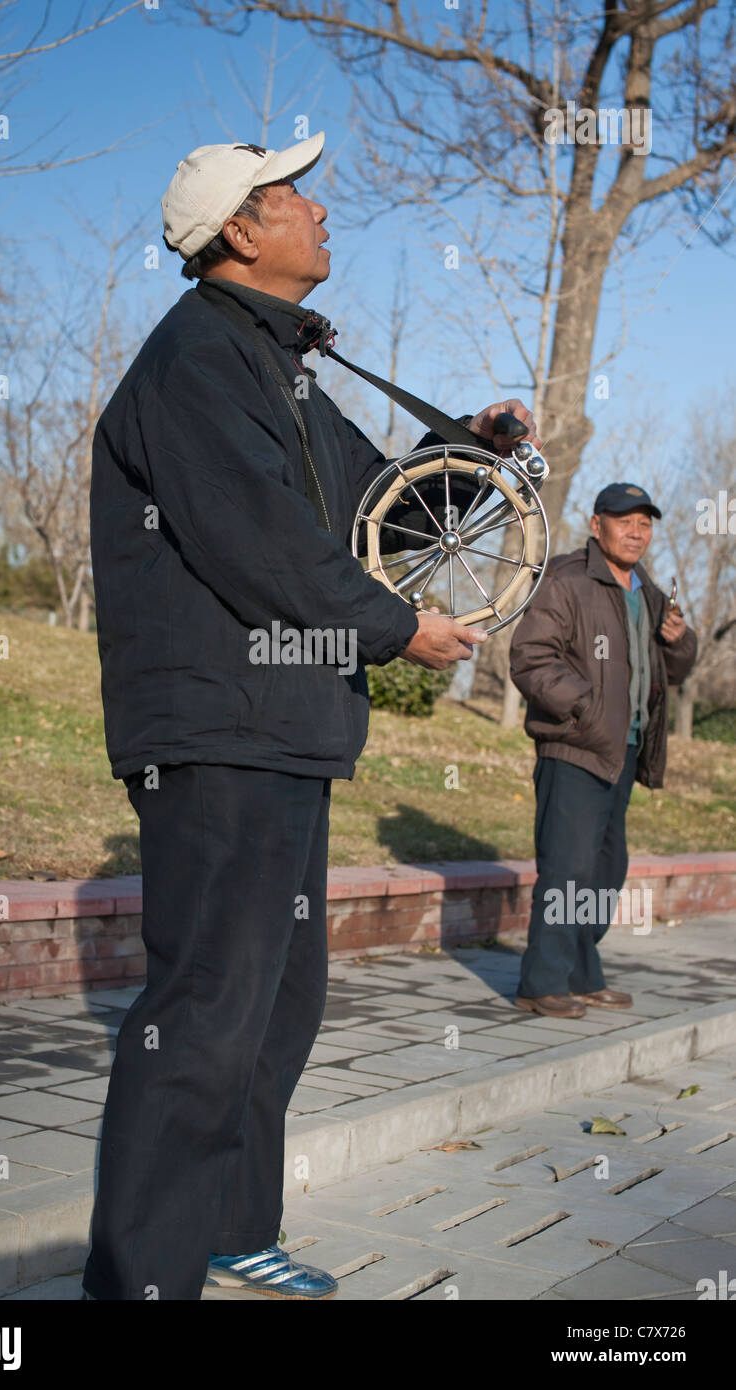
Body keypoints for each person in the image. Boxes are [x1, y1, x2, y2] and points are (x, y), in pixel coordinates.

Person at [83, 130, 540, 1301]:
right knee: (202, 1012)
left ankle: (234, 1227)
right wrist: (402, 634)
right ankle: (138, 1277)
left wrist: (467, 456)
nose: (320, 206)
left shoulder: (278, 369)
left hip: (284, 728)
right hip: (214, 730)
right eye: (294, 193)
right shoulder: (194, 360)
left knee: (279, 1003)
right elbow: (265, 547)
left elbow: (375, 518)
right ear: (241, 230)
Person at [509, 482, 698, 1019]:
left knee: (606, 870)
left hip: (626, 752)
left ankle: (582, 974)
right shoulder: (569, 580)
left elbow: (675, 671)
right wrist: (585, 708)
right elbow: (530, 657)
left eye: (645, 522)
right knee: (566, 868)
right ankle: (541, 982)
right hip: (575, 747)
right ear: (598, 526)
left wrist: (679, 639)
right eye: (625, 520)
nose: (636, 531)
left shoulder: (649, 590)